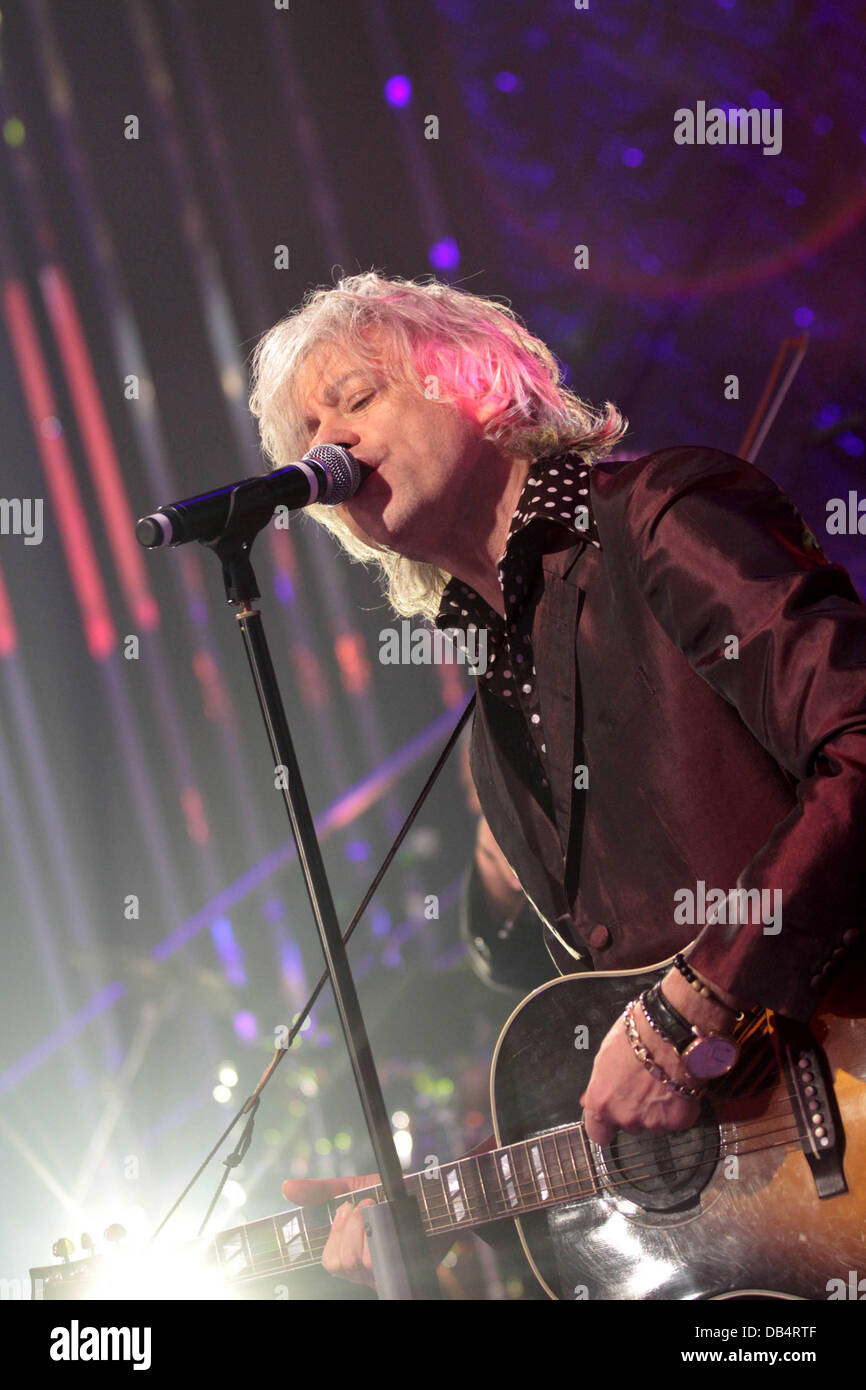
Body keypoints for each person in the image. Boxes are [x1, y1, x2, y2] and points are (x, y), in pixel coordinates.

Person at [248, 271, 866, 1290]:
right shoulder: (493, 701)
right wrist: (460, 1212)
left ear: (478, 381)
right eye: (306, 428)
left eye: (356, 398)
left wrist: (692, 1004)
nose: (329, 447)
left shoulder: (660, 516)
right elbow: (629, 1079)